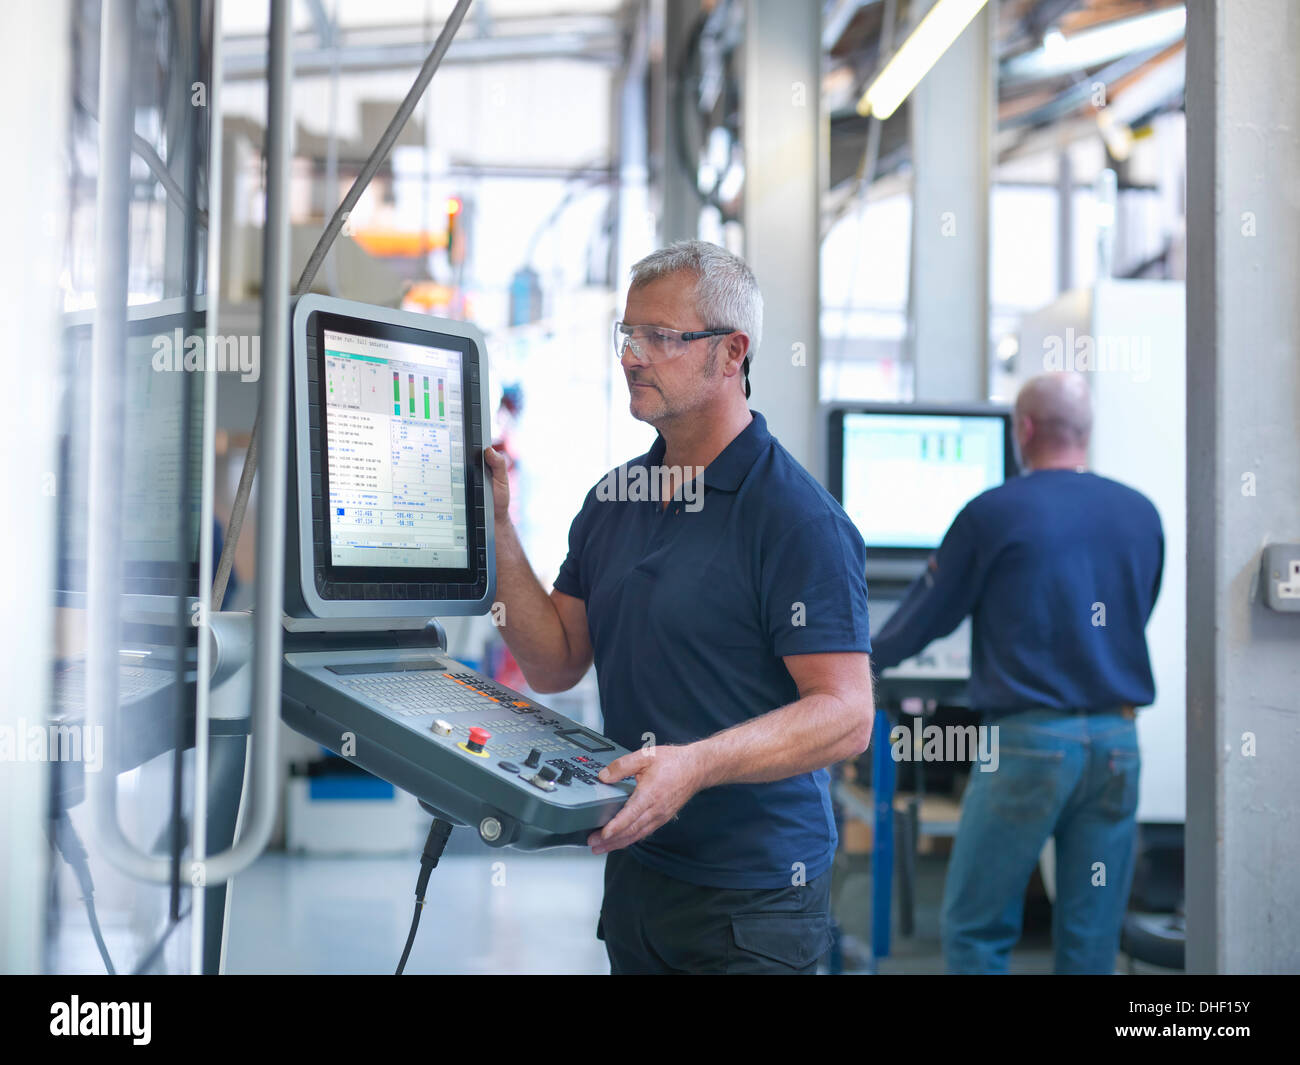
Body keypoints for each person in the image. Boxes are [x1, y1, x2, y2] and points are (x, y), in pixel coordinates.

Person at [483, 240, 874, 974]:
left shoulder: (795, 519)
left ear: (732, 353)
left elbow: (847, 715)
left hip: (755, 899)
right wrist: (497, 527)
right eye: (628, 333)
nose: (632, 356)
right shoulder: (614, 500)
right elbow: (554, 662)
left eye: (660, 337)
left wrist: (695, 765)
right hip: (640, 866)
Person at [870, 372, 1164, 974]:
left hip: (1029, 743)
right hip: (1118, 743)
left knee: (978, 927)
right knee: (1091, 936)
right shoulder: (1141, 513)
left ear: (1023, 430)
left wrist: (860, 662)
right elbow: (1140, 606)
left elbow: (929, 614)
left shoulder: (993, 512)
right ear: (1085, 430)